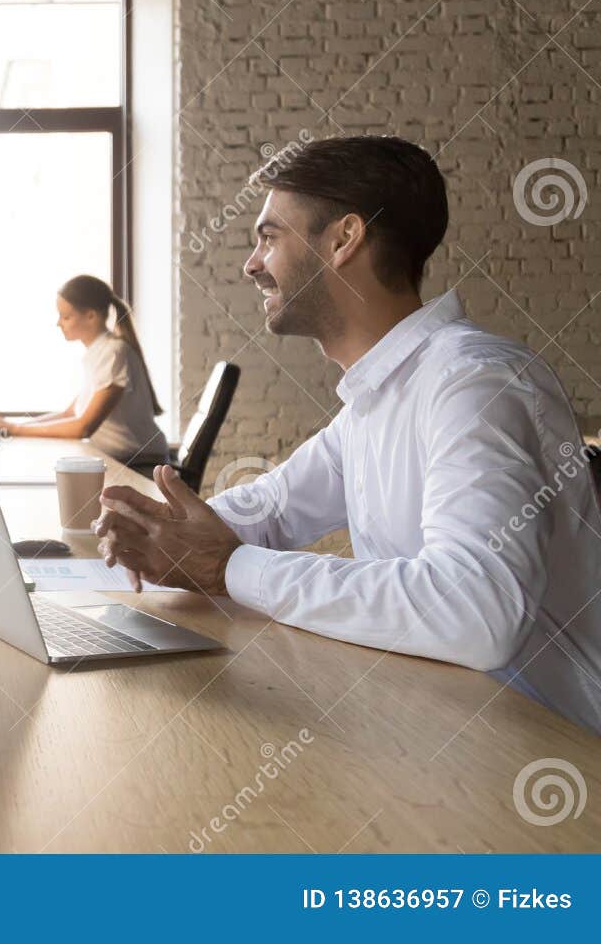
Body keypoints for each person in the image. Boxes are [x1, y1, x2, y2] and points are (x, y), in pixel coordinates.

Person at [94, 136, 601, 734]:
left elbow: (477, 609)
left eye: (269, 237)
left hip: (555, 751)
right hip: (444, 724)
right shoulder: (375, 400)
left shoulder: (473, 383)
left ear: (344, 239)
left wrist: (226, 566)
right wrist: (160, 530)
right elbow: (271, 510)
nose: (251, 264)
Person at [0, 275, 169, 468]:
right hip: (123, 461)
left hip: (139, 465)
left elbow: (83, 427)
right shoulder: (98, 352)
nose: (58, 323)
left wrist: (14, 429)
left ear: (91, 316)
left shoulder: (113, 353)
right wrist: (10, 424)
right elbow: (69, 414)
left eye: (66, 316)